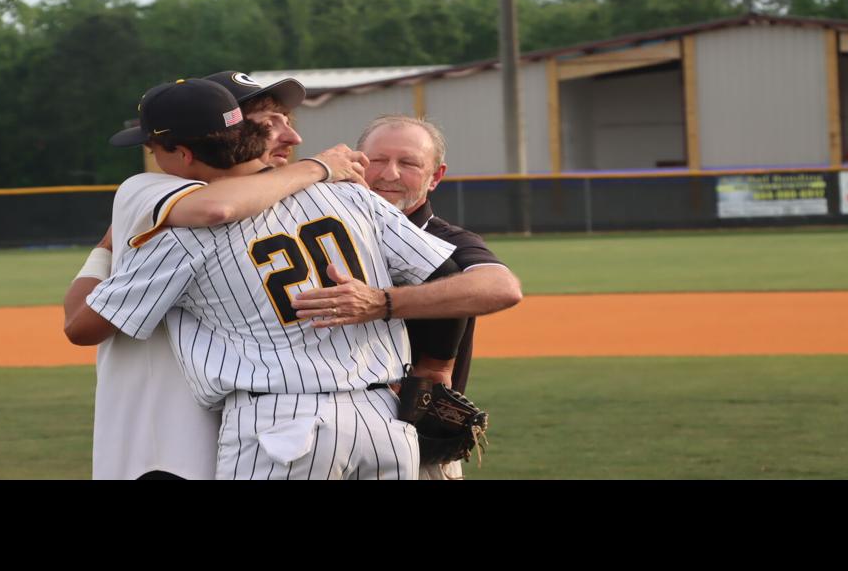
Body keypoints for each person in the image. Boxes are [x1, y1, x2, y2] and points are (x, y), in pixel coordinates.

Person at [65, 78, 521, 480]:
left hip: (281, 425)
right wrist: (434, 366)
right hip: (386, 422)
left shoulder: (183, 233)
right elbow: (447, 275)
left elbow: (83, 327)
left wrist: (108, 248)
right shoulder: (349, 197)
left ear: (179, 153)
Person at [65, 72, 366, 480]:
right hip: (159, 437)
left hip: (264, 434)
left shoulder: (295, 198)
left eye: (286, 120)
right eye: (266, 121)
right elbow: (215, 209)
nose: (287, 136)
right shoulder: (152, 190)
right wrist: (320, 167)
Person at [355, 115, 509, 480]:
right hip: (327, 434)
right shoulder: (323, 235)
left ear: (436, 176)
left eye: (408, 163)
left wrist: (384, 302)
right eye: (377, 160)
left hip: (416, 441)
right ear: (357, 164)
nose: (389, 174)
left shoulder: (452, 242)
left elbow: (500, 288)